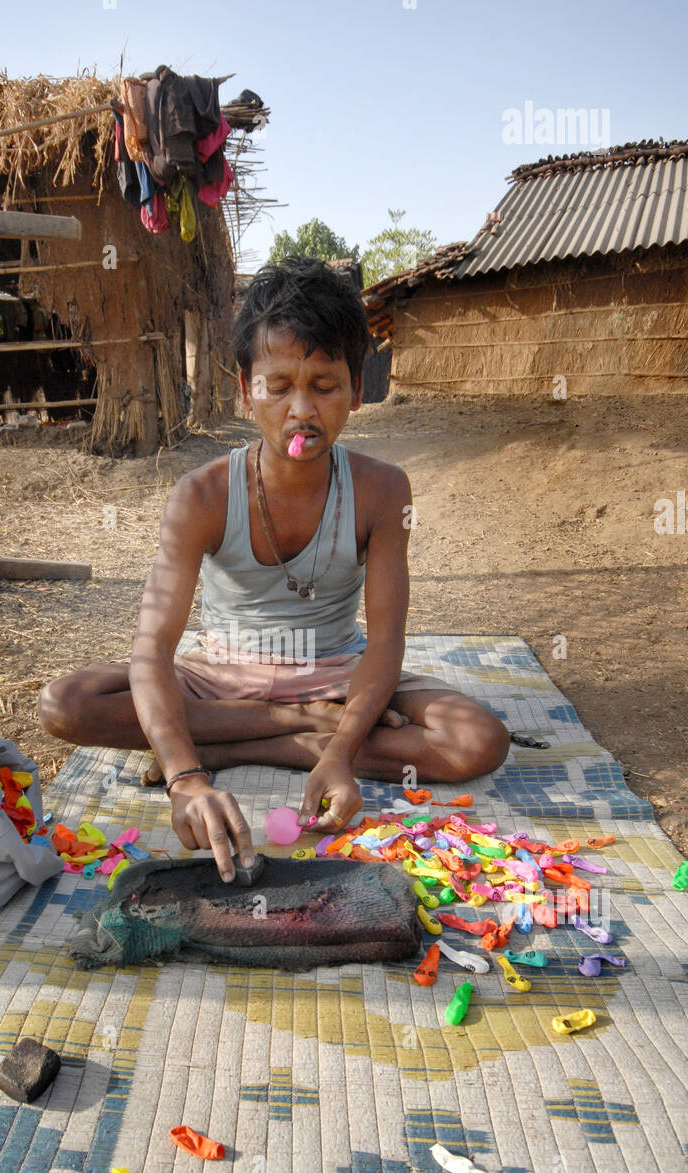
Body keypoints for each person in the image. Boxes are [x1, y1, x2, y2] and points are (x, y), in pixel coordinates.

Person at [38, 258, 511, 881]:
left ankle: (261, 743)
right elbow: (152, 650)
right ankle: (290, 730)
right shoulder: (201, 496)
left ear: (357, 390)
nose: (301, 410)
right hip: (219, 676)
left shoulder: (383, 489)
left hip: (337, 676)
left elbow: (388, 638)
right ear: (245, 390)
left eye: (324, 384)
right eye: (279, 384)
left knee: (478, 740)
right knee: (66, 704)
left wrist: (341, 749)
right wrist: (185, 779)